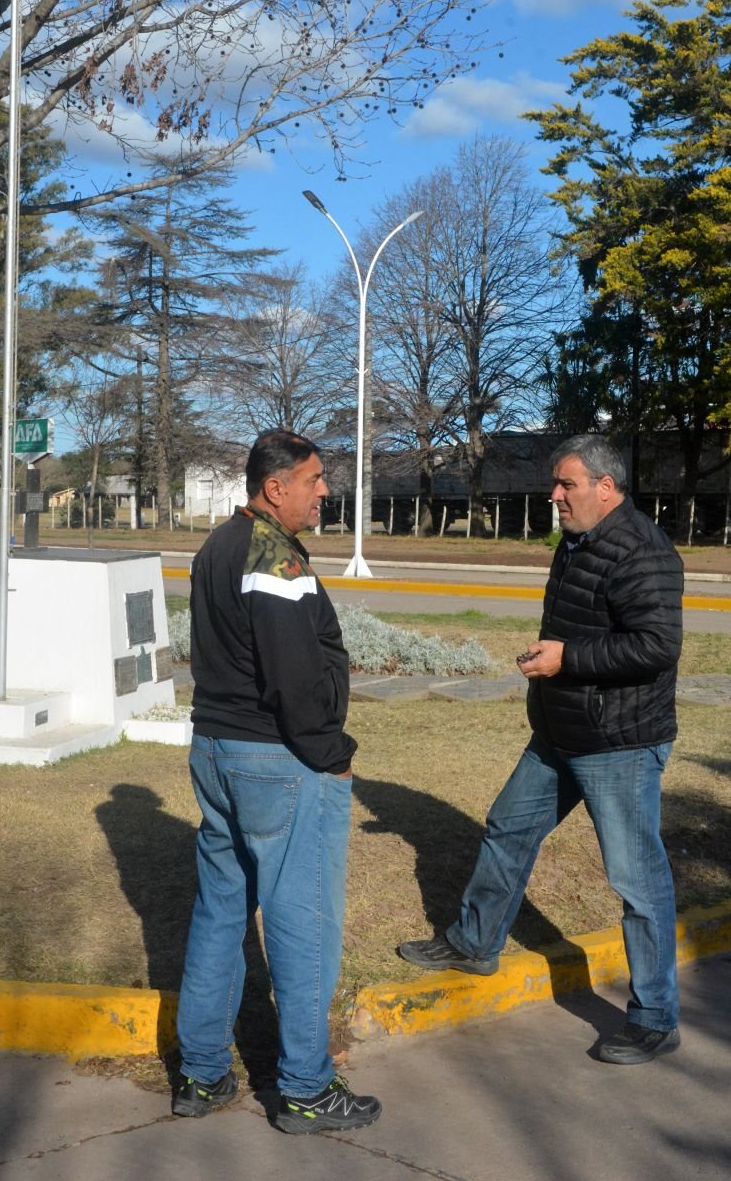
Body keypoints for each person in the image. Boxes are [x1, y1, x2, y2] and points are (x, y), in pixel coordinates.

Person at [399, 434, 684, 1066]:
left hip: (619, 743)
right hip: (561, 731)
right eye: (556, 483)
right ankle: (475, 943)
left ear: (605, 487)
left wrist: (567, 658)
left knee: (637, 880)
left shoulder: (643, 549)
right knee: (508, 827)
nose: (554, 495)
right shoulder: (579, 540)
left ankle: (656, 1018)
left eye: (566, 484)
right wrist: (552, 657)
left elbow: (657, 646)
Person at [173, 429, 381, 1134]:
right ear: (275, 487)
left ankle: (201, 1075)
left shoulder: (219, 545)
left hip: (216, 751)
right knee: (304, 924)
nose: (324, 491)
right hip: (276, 760)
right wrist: (332, 752)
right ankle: (306, 1089)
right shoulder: (273, 557)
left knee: (220, 913)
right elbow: (293, 678)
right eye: (314, 479)